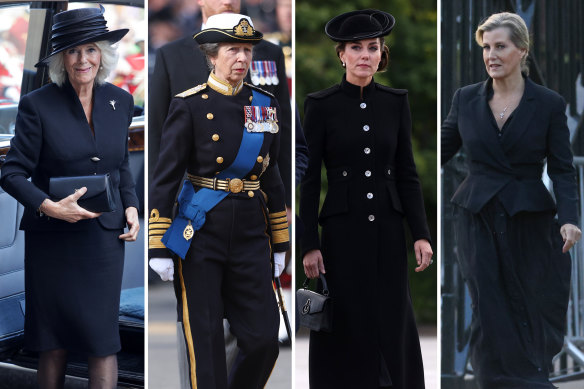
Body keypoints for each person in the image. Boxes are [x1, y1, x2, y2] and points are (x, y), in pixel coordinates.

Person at [0, 6, 140, 389]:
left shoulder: (120, 102)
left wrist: (131, 206)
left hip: (103, 240)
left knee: (103, 343)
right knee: (54, 344)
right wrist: (48, 206)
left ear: (103, 55)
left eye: (91, 50)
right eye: (74, 51)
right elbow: (10, 172)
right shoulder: (38, 104)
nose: (83, 59)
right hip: (54, 243)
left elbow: (121, 166)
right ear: (62, 59)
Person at [148, 13, 289, 389]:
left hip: (250, 234)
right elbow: (166, 175)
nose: (241, 58)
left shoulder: (264, 104)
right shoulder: (190, 104)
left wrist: (281, 241)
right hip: (201, 235)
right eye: (233, 50)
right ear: (212, 55)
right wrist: (158, 244)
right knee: (205, 345)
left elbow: (270, 174)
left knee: (263, 342)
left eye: (246, 50)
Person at [441, 12, 582, 388]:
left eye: (500, 46)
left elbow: (564, 169)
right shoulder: (466, 99)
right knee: (487, 305)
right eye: (486, 47)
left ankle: (530, 379)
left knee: (529, 303)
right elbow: (440, 148)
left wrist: (570, 217)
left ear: (521, 50)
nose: (491, 54)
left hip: (529, 217)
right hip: (477, 215)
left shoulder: (549, 103)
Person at [299, 9, 433, 389]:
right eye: (355, 47)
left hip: (389, 230)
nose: (364, 54)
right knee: (345, 321)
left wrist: (420, 233)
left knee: (393, 319)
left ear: (381, 53)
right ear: (341, 54)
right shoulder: (320, 104)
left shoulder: (395, 101)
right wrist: (309, 243)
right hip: (341, 232)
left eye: (372, 47)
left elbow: (407, 173)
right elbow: (309, 181)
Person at [148, 0, 292, 208]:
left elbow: (283, 133)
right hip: (190, 198)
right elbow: (157, 132)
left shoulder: (270, 52)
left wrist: (284, 200)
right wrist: (160, 204)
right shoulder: (171, 54)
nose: (227, 2)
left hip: (254, 197)